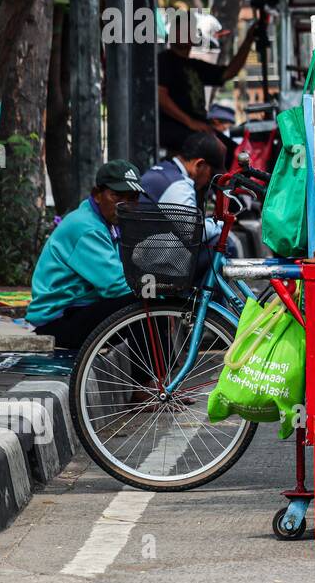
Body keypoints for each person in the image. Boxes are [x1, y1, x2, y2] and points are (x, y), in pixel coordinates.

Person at [26, 161, 144, 349]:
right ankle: (151, 378)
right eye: (117, 196)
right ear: (97, 195)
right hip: (56, 321)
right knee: (142, 303)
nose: (125, 205)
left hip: (79, 310)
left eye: (132, 198)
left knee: (149, 301)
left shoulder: (106, 221)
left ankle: (161, 374)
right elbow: (115, 285)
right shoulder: (87, 228)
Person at [157, 20, 255, 156]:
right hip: (177, 130)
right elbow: (160, 96)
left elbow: (228, 73)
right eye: (178, 29)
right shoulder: (164, 61)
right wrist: (191, 122)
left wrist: (249, 40)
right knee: (225, 154)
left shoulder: (195, 66)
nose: (183, 33)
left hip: (199, 129)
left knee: (237, 154)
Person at [208, 102, 240, 171]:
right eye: (227, 124)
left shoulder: (221, 136)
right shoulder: (212, 136)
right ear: (215, 121)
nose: (227, 128)